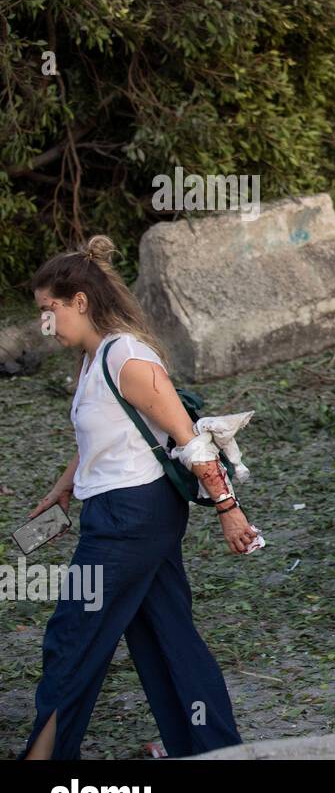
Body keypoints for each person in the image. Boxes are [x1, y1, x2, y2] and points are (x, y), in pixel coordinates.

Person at [23, 235, 252, 760]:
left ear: (80, 301)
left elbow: (187, 437)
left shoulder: (125, 355)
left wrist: (228, 510)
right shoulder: (92, 358)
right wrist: (64, 487)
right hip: (119, 512)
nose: (46, 323)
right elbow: (106, 435)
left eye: (49, 310)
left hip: (132, 518)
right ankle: (214, 751)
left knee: (71, 638)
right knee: (166, 637)